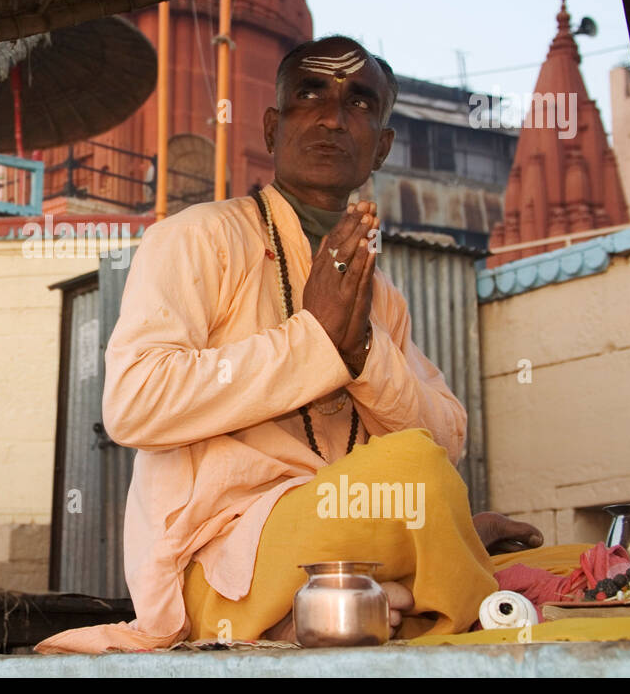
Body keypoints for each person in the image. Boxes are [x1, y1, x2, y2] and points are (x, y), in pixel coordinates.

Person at [36, 35, 542, 654]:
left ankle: (412, 571)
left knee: (451, 489)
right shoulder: (200, 238)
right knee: (417, 478)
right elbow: (134, 402)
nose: (332, 117)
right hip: (224, 563)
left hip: (337, 542)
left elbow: (448, 437)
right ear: (274, 128)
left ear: (381, 146)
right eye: (310, 95)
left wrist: (360, 356)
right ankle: (416, 585)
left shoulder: (381, 296)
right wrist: (313, 341)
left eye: (358, 103)